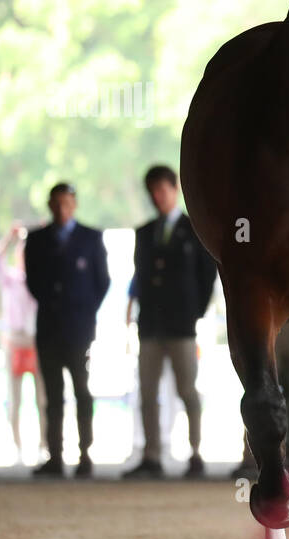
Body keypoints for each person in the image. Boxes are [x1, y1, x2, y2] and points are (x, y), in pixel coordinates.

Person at [123, 165, 217, 479]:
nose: (157, 197)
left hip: (181, 326)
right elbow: (141, 279)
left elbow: (207, 277)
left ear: (174, 190)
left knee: (187, 390)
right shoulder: (144, 233)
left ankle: (195, 452)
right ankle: (152, 455)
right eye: (153, 192)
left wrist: (194, 312)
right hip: (150, 325)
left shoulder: (195, 230)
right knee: (147, 393)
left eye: (162, 190)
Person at [25, 183, 110, 478]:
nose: (62, 209)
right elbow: (33, 283)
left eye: (67, 203)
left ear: (74, 204)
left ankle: (85, 453)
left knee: (82, 391)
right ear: (50, 205)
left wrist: (82, 311)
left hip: (79, 329)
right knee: (52, 394)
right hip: (49, 327)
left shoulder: (90, 238)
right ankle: (55, 455)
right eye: (57, 203)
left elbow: (102, 283)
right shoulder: (36, 240)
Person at [0, 224, 47, 455]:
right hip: (15, 339)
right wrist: (9, 238)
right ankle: (17, 444)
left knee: (41, 396)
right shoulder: (11, 279)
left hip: (36, 339)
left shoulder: (39, 279)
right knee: (15, 396)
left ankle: (45, 442)